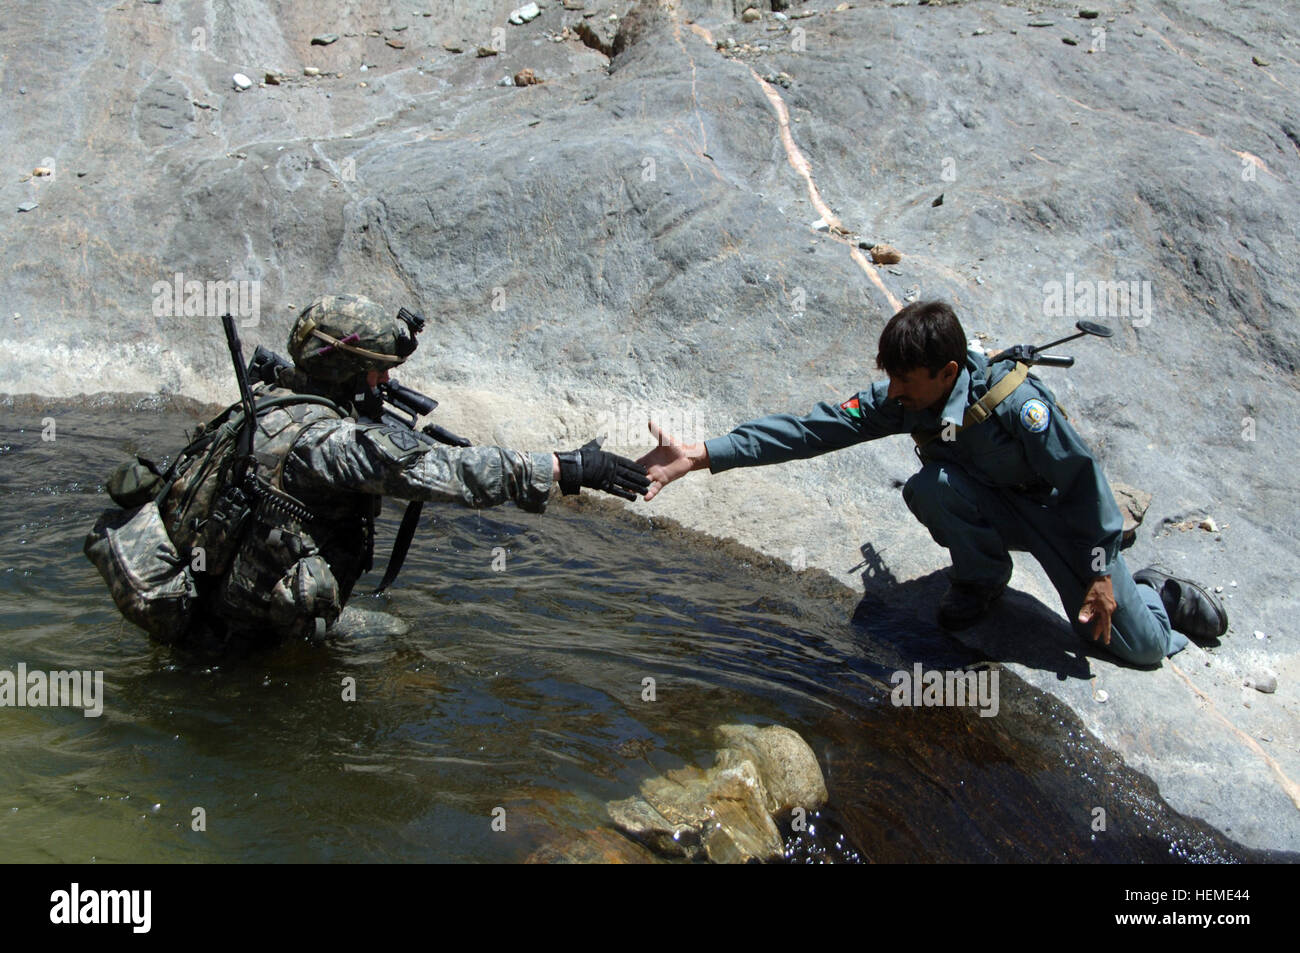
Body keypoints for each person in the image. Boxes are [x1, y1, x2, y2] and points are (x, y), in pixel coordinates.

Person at [636, 300, 1227, 666]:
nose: (893, 393)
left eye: (905, 381)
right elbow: (809, 430)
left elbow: (1082, 482)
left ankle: (1161, 593)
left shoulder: (1018, 406)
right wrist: (700, 455)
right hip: (993, 507)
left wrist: (1102, 573)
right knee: (930, 485)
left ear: (947, 373)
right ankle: (981, 580)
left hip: (1064, 521)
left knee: (1141, 650)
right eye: (889, 379)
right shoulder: (906, 396)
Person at [87, 293, 648, 649]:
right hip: (238, 635)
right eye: (377, 373)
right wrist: (564, 467)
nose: (384, 385)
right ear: (348, 370)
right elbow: (449, 471)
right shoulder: (327, 442)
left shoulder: (265, 403)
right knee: (402, 643)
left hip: (200, 598)